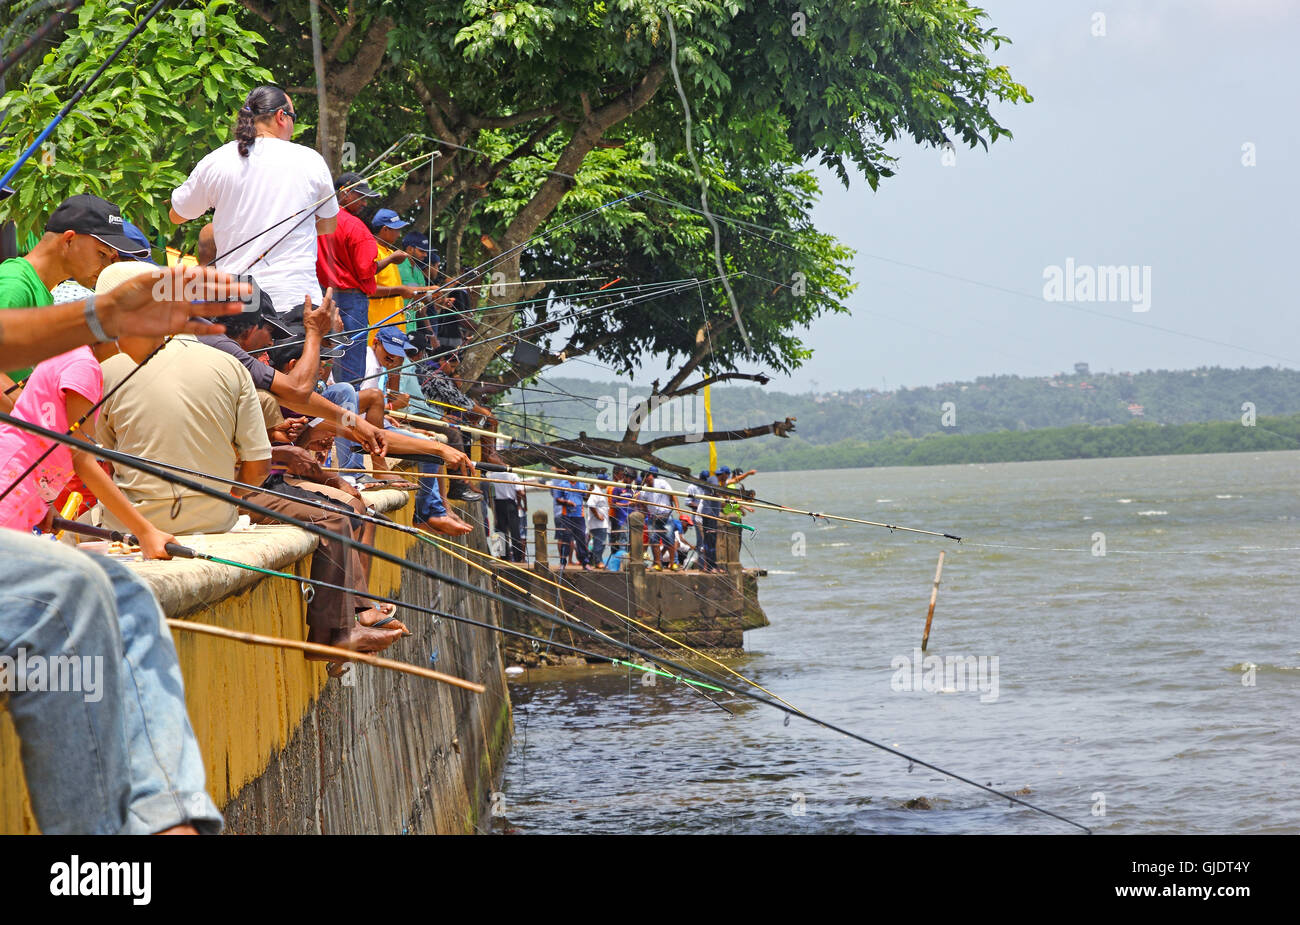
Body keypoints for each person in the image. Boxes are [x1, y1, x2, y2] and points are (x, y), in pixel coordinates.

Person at [0, 262, 249, 835]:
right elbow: (82, 455)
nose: (164, 340)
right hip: (16, 488)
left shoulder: (85, 359)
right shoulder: (83, 369)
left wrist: (104, 313)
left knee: (125, 591)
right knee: (68, 587)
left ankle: (168, 820)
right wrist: (142, 529)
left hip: (29, 495)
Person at [169, 85, 338, 313]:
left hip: (238, 305)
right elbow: (328, 225)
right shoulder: (311, 160)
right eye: (293, 118)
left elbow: (177, 215)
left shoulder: (218, 160)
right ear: (281, 116)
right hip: (296, 300)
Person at [0, 194, 147, 407]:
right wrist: (42, 421)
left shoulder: (39, 290)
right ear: (69, 240)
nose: (107, 266)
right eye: (101, 254)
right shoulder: (15, 285)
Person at [317, 174, 416, 383]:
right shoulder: (355, 226)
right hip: (351, 302)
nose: (364, 203)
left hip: (322, 296)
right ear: (344, 192)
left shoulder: (318, 220)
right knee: (351, 362)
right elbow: (366, 271)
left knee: (326, 353)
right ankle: (350, 404)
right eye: (360, 196)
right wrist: (390, 260)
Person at [368, 208, 418, 340]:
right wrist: (399, 290)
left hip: (395, 327)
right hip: (380, 328)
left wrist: (429, 290)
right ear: (385, 229)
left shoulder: (390, 253)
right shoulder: (372, 250)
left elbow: (398, 290)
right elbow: (369, 290)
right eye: (396, 230)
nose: (399, 234)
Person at [636, 465, 679, 570]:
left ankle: (673, 563)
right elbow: (642, 503)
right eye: (645, 478)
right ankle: (658, 564)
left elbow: (672, 494)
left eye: (649, 476)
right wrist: (646, 511)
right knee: (654, 540)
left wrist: (677, 507)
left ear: (652, 476)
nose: (648, 479)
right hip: (653, 518)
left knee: (669, 539)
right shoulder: (643, 490)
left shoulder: (662, 483)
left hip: (666, 515)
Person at [548, 465, 589, 569]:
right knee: (565, 538)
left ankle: (585, 562)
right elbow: (557, 499)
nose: (573, 475)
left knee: (581, 538)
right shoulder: (563, 484)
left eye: (574, 473)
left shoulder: (581, 484)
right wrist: (567, 502)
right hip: (567, 515)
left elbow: (586, 497)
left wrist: (590, 491)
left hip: (579, 515)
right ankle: (563, 562)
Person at [491, 468, 525, 563]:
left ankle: (502, 556)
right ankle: (518, 557)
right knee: (515, 531)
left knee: (499, 530)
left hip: (497, 503)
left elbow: (491, 493)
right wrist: (519, 504)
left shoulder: (492, 475)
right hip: (510, 503)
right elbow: (519, 492)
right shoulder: (513, 476)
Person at [585, 470, 610, 568]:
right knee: (600, 543)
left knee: (600, 543)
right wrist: (597, 516)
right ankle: (598, 562)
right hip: (598, 524)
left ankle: (595, 561)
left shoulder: (598, 492)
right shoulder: (596, 492)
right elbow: (590, 504)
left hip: (601, 524)